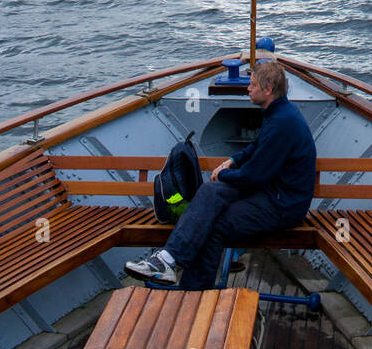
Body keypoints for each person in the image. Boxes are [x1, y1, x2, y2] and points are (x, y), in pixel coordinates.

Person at [125, 59, 316, 288]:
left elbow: (253, 177)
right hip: (271, 193)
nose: (248, 88)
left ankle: (191, 291)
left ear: (267, 90)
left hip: (283, 206)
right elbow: (256, 147)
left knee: (214, 224)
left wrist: (224, 175)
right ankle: (168, 262)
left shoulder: (283, 123)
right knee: (210, 191)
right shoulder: (279, 113)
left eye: (253, 85)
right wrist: (232, 161)